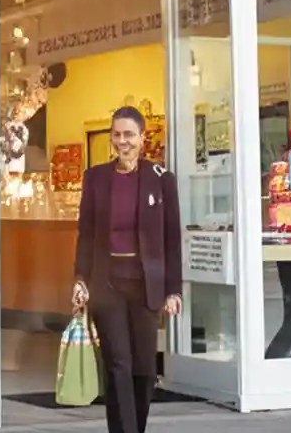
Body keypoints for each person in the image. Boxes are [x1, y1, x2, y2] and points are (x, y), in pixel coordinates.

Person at [72, 106, 183, 433]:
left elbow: (172, 240)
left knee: (144, 369)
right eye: (117, 135)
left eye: (129, 135)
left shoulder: (162, 180)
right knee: (118, 365)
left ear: (142, 138)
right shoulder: (95, 179)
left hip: (147, 286)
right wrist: (80, 279)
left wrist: (173, 289)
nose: (123, 141)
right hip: (106, 285)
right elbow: (86, 234)